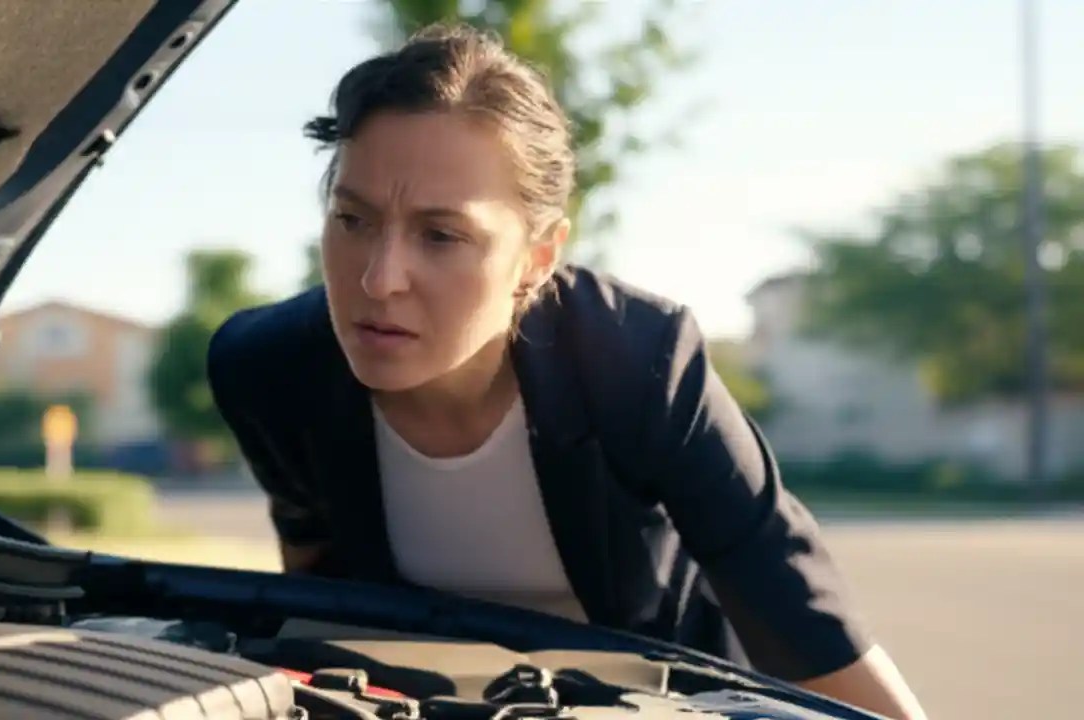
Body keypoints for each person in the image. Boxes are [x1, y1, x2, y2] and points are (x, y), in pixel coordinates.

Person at [208, 23, 928, 720]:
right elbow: (313, 590)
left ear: (538, 257)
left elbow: (798, 613)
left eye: (441, 235)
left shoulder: (641, 362)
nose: (379, 278)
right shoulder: (266, 366)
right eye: (353, 219)